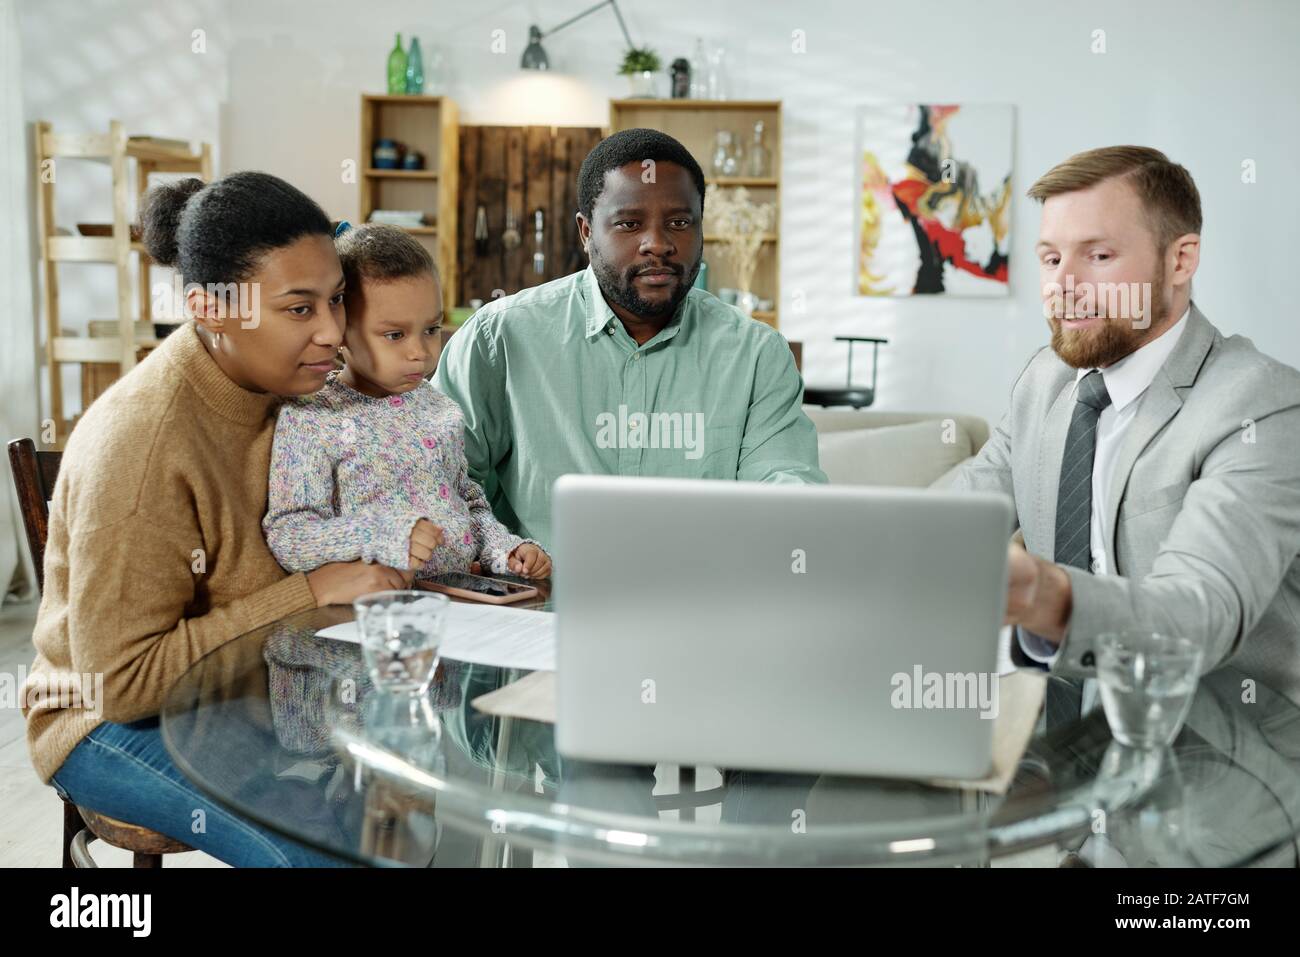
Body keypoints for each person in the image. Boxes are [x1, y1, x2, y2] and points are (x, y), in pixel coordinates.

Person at [23, 172, 405, 866]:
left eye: (336, 299)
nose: (331, 330)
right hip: (103, 722)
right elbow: (122, 683)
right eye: (299, 309)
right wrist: (310, 591)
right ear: (212, 308)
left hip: (247, 687)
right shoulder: (141, 444)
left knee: (411, 810)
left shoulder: (295, 392)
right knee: (330, 850)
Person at [950, 146, 1300, 724]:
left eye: (1100, 255)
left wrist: (1045, 596)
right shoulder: (1046, 379)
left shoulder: (1260, 405)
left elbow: (1197, 616)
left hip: (1224, 749)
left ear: (1180, 260)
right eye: (1051, 258)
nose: (1064, 285)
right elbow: (959, 507)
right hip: (1058, 735)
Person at [434, 127, 826, 550]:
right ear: (586, 232)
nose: (657, 244)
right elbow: (436, 480)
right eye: (629, 223)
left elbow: (785, 488)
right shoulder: (499, 338)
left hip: (702, 607)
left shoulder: (756, 355)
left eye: (679, 222)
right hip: (540, 609)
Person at [263, 223, 551, 581]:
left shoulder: (439, 408)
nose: (419, 353)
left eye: (431, 329)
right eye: (394, 335)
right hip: (365, 618)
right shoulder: (312, 419)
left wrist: (506, 549)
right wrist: (380, 534)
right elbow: (290, 537)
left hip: (457, 608)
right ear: (342, 332)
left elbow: (469, 503)